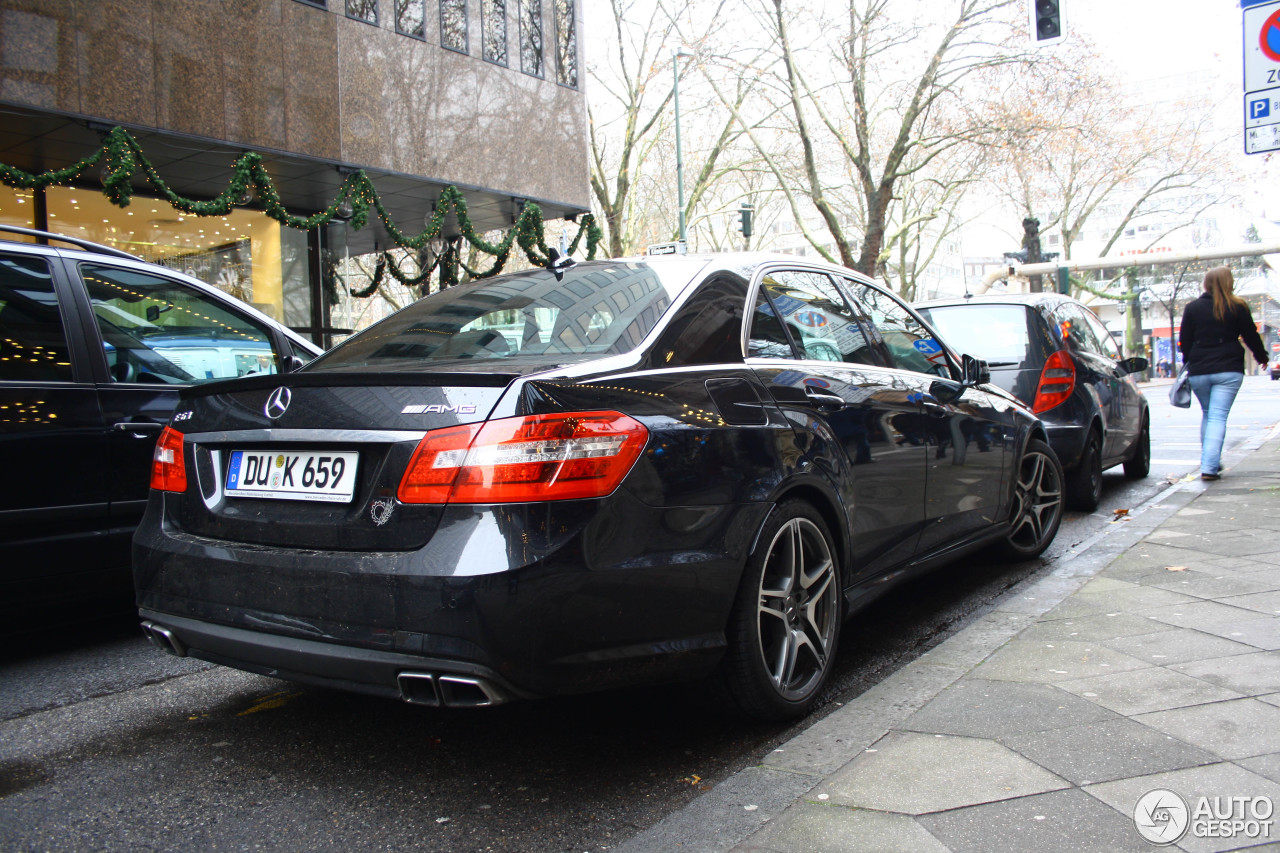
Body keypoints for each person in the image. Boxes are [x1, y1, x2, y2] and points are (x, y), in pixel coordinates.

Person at [1178, 266, 1269, 480]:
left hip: (1199, 370)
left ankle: (1211, 460)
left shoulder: (1192, 308)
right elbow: (1250, 336)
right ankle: (1209, 467)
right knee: (1217, 416)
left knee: (1209, 414)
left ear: (1206, 284)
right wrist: (1261, 357)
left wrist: (1189, 362)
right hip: (1228, 369)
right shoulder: (1237, 307)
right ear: (1229, 283)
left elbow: (1185, 340)